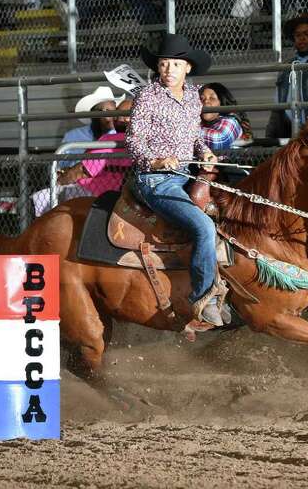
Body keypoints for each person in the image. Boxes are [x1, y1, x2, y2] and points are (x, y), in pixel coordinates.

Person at [125, 33, 224, 328]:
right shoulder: (147, 95)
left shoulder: (194, 97)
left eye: (175, 64)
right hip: (155, 180)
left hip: (185, 175)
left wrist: (206, 153)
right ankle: (204, 299)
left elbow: (193, 136)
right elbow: (134, 140)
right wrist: (155, 161)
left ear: (187, 68)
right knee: (204, 226)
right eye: (164, 64)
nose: (168, 70)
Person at [33, 104, 130, 216]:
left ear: (127, 118)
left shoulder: (110, 140)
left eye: (117, 114)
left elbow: (81, 171)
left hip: (93, 193)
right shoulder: (142, 144)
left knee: (39, 198)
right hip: (120, 196)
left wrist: (59, 181)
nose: (114, 117)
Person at [199, 83, 247, 150]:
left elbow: (220, 140)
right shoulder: (201, 123)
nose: (206, 101)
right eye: (202, 98)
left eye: (212, 98)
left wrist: (187, 130)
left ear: (222, 101)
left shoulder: (231, 121)